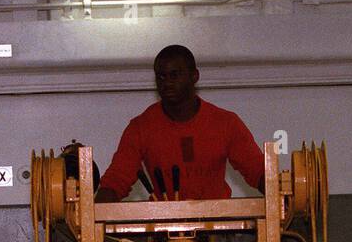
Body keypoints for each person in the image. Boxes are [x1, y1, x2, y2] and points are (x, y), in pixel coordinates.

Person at [95, 45, 266, 202]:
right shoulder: (140, 127)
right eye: (161, 77)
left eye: (174, 75)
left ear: (195, 76)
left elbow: (257, 170)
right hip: (161, 230)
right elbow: (117, 179)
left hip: (219, 229)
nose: (167, 83)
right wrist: (92, 216)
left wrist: (281, 197)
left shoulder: (226, 123)